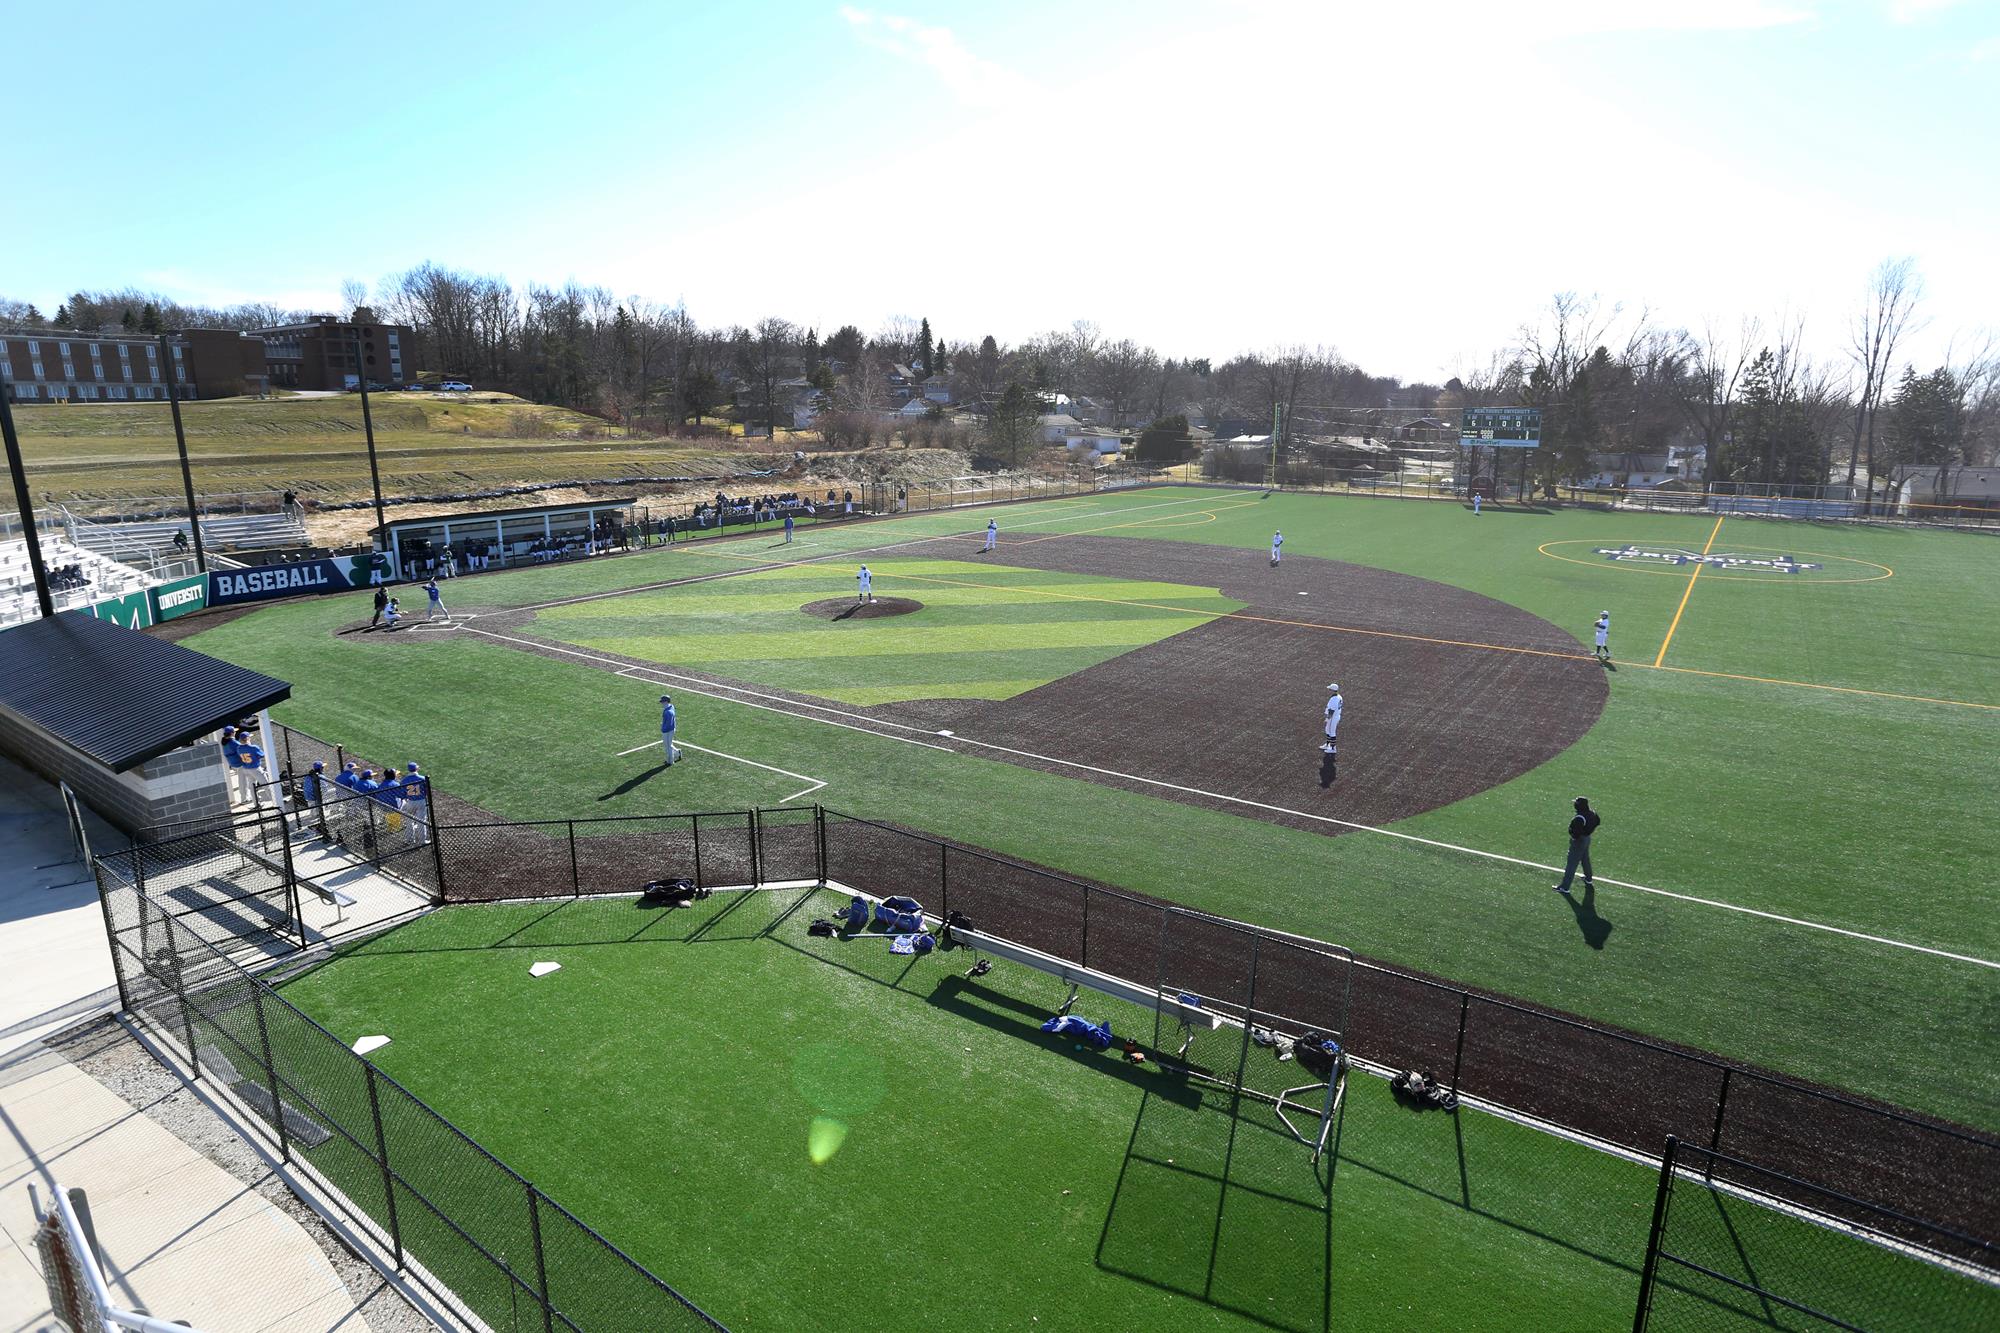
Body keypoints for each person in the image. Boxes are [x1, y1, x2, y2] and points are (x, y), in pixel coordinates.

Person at [1554, 797, 1600, 894]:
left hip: (1579, 842)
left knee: (1572, 863)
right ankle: (1588, 878)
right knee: (1585, 859)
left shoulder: (1580, 818)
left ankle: (1565, 887)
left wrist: (1575, 838)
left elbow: (1576, 832)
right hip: (1587, 839)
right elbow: (1598, 821)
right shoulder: (1592, 813)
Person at [400, 763, 431, 845]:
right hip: (421, 801)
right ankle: (422, 841)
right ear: (416, 769)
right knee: (421, 821)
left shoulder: (404, 780)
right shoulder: (422, 778)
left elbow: (402, 793)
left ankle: (409, 840)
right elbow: (427, 790)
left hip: (410, 801)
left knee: (409, 821)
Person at [300, 760, 328, 835]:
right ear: (321, 768)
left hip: (309, 797)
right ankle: (317, 829)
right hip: (316, 798)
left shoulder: (308, 775)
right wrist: (324, 798)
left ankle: (317, 826)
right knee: (318, 815)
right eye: (323, 767)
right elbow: (324, 789)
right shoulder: (321, 777)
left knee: (314, 812)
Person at [660, 695, 682, 765]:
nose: (662, 703)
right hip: (672, 729)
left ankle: (670, 761)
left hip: (667, 730)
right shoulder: (671, 706)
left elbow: (668, 724)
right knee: (669, 745)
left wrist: (663, 729)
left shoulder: (667, 712)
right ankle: (677, 752)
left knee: (667, 746)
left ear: (666, 702)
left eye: (663, 702)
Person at [1321, 683, 1342, 755]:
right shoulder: (1339, 696)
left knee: (1332, 732)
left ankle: (1333, 748)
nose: (1329, 690)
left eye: (1330, 689)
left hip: (1333, 717)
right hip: (1335, 716)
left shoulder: (1334, 699)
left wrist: (1327, 718)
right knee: (1327, 729)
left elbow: (1331, 711)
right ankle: (1328, 744)